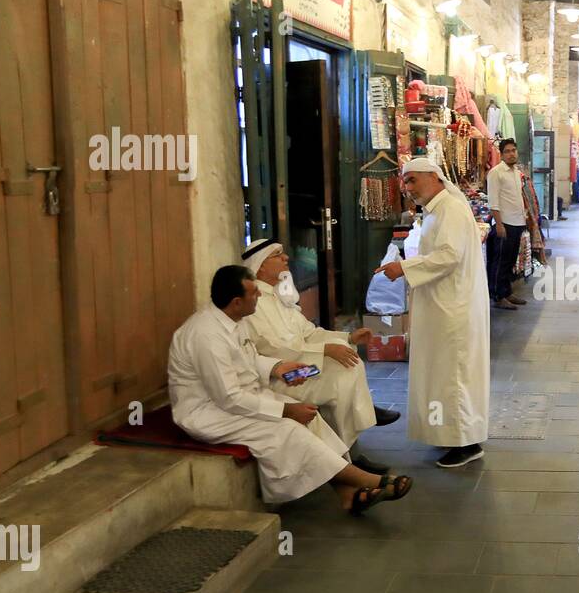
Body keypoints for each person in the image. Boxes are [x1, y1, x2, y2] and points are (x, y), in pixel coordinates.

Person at [168, 265, 412, 514]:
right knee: (288, 428)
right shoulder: (207, 336)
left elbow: (248, 359)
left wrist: (278, 367)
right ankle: (367, 480)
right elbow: (228, 397)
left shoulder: (233, 319)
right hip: (209, 412)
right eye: (254, 292)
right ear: (237, 302)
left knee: (310, 416)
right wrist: (285, 410)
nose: (260, 295)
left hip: (242, 396)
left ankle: (347, 494)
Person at [239, 238, 399, 474]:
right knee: (340, 374)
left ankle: (350, 446)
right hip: (284, 375)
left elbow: (309, 332)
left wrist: (348, 338)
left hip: (303, 365)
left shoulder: (278, 297)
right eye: (277, 255)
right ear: (260, 265)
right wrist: (325, 350)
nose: (286, 258)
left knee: (345, 359)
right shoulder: (255, 302)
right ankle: (350, 452)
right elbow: (272, 349)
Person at [375, 157, 490, 468]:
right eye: (405, 182)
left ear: (434, 177)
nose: (408, 188)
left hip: (453, 308)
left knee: (454, 377)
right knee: (444, 375)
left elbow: (449, 255)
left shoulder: (450, 208)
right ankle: (451, 434)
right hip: (443, 304)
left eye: (412, 180)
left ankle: (466, 443)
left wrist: (404, 267)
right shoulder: (437, 210)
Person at [485, 138, 528, 311]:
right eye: (507, 151)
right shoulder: (496, 173)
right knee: (500, 261)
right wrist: (499, 224)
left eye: (513, 150)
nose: (511, 154)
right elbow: (493, 201)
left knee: (510, 260)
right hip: (505, 223)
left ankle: (506, 292)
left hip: (517, 222)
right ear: (501, 155)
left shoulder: (516, 172)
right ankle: (497, 296)